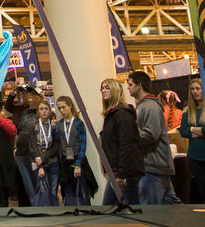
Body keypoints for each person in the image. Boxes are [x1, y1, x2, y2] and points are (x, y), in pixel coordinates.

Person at [127, 70, 178, 204]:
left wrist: (130, 132)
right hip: (154, 166)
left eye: (130, 84)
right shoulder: (144, 106)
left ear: (139, 86)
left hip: (153, 167)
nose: (127, 87)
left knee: (150, 211)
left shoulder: (149, 106)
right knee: (173, 208)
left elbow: (151, 135)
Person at [99, 77, 143, 205]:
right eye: (102, 88)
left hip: (125, 171)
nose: (103, 90)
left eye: (107, 87)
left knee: (128, 207)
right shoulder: (111, 114)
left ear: (115, 90)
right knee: (114, 207)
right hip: (118, 170)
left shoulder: (122, 114)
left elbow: (126, 144)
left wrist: (121, 174)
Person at [54, 95, 96, 206]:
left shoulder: (78, 123)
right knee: (67, 192)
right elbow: (57, 144)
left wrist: (78, 164)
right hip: (64, 162)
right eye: (59, 108)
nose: (62, 111)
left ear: (70, 106)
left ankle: (83, 212)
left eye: (64, 107)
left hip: (77, 160)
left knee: (80, 191)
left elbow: (83, 145)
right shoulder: (58, 124)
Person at [29, 100, 59, 205]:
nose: (44, 111)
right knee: (42, 190)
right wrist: (40, 163)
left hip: (52, 160)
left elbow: (55, 146)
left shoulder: (54, 126)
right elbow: (33, 145)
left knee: (53, 190)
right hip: (39, 161)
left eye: (46, 109)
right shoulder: (33, 125)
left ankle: (55, 211)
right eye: (41, 109)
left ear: (50, 111)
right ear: (38, 111)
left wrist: (44, 158)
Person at [179, 77, 205, 202]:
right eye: (193, 89)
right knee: (202, 190)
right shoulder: (187, 113)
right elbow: (183, 131)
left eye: (198, 89)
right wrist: (199, 131)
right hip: (194, 157)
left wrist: (192, 129)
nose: (195, 92)